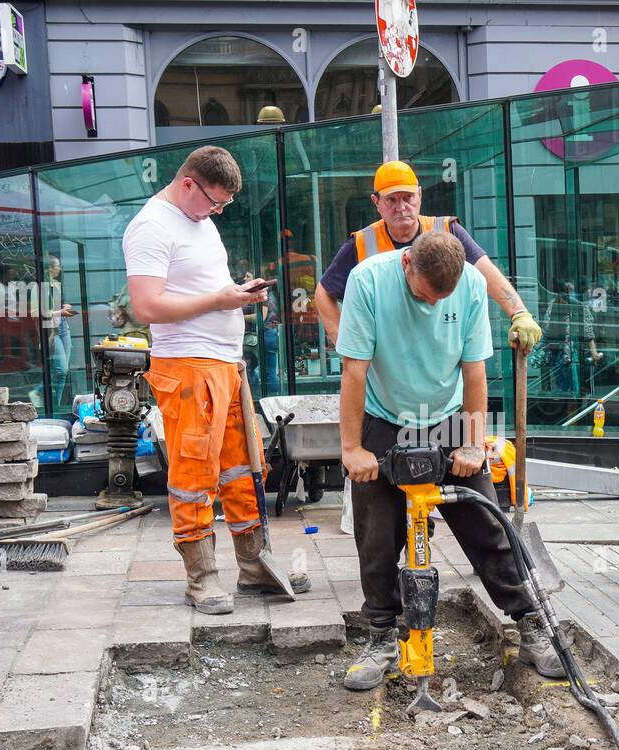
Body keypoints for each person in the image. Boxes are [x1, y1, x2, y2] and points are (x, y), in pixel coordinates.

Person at [336, 231, 562, 690]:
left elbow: (474, 368)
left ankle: (531, 622)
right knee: (377, 536)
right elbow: (354, 371)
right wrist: (352, 449)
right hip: (383, 418)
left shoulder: (471, 286)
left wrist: (474, 444)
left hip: (446, 418)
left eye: (445, 295)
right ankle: (381, 635)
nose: (436, 303)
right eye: (426, 293)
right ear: (406, 267)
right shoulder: (367, 281)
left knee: (488, 527)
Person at [124, 145, 310, 614]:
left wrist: (235, 296)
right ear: (189, 184)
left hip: (224, 365)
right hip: (187, 367)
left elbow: (201, 289)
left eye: (224, 206)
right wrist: (220, 302)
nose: (218, 211)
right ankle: (201, 579)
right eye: (215, 202)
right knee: (194, 474)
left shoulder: (198, 221)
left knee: (242, 467)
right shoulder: (150, 226)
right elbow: (146, 307)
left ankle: (253, 567)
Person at [315, 160, 542, 354]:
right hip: (390, 360)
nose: (401, 207)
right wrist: (346, 345)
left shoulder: (446, 231)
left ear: (420, 195)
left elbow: (487, 272)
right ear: (377, 202)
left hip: (439, 354)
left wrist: (519, 313)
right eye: (391, 200)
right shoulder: (362, 244)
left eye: (408, 197)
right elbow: (324, 293)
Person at [42, 255, 77, 410]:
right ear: (50, 268)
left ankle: (55, 403)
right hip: (52, 329)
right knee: (60, 368)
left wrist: (64, 307)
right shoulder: (41, 287)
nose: (60, 269)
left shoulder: (56, 284)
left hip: (63, 326)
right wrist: (60, 312)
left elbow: (56, 307)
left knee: (63, 371)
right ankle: (45, 398)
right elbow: (41, 312)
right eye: (58, 266)